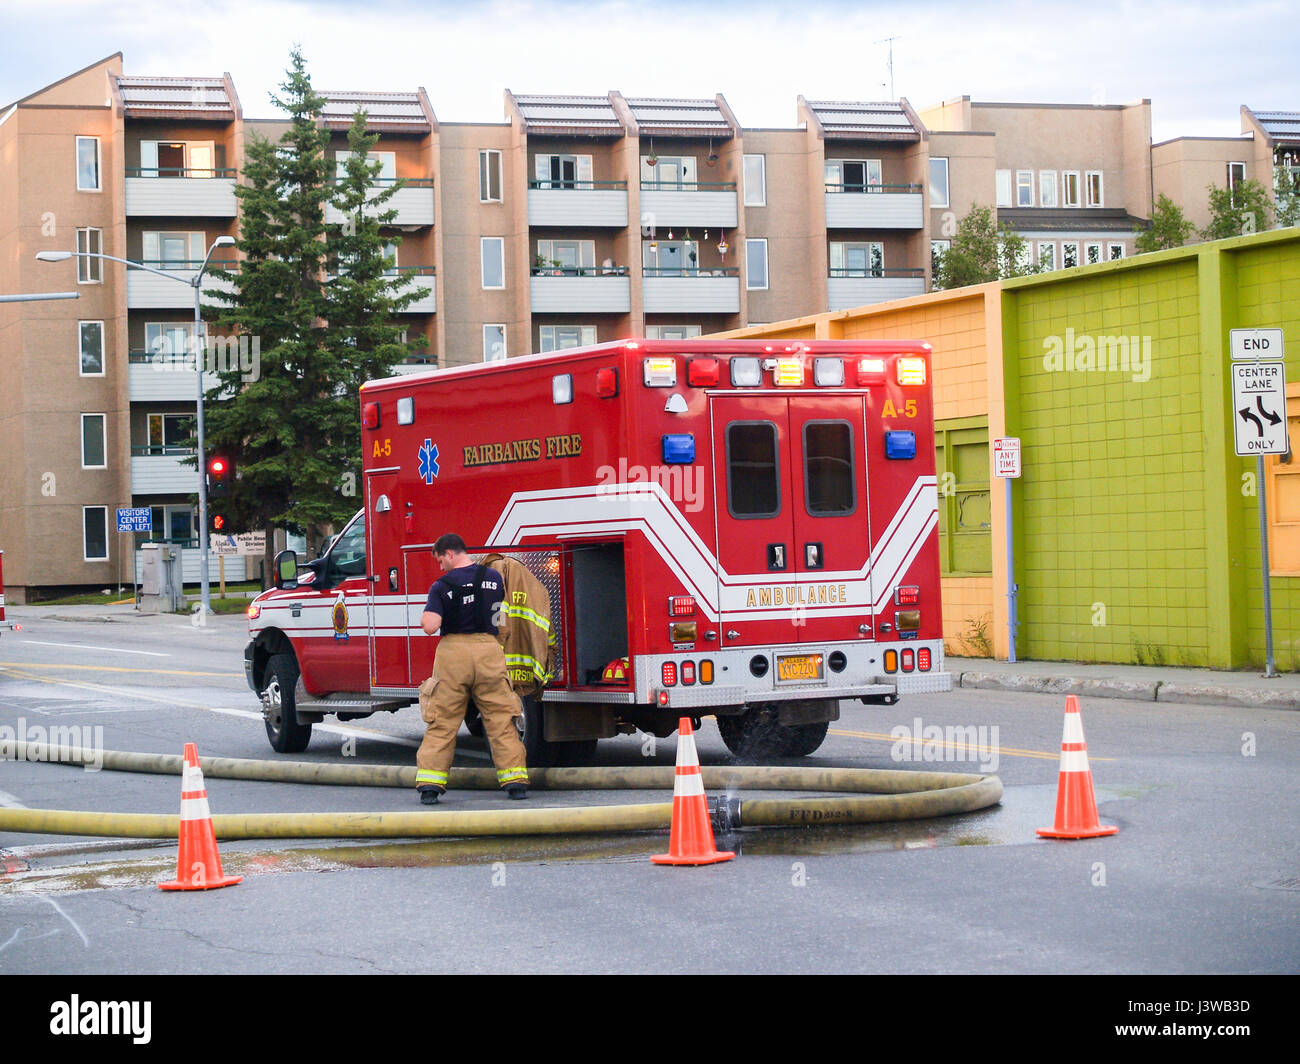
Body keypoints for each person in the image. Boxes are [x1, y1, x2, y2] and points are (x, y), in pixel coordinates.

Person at [415, 533, 529, 805]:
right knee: (501, 718)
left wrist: (426, 616)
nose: (440, 566)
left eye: (440, 559)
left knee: (442, 720)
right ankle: (515, 783)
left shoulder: (441, 585)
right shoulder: (494, 579)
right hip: (489, 651)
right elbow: (501, 619)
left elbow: (431, 626)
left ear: (450, 554)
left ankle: (430, 786)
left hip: (454, 655)